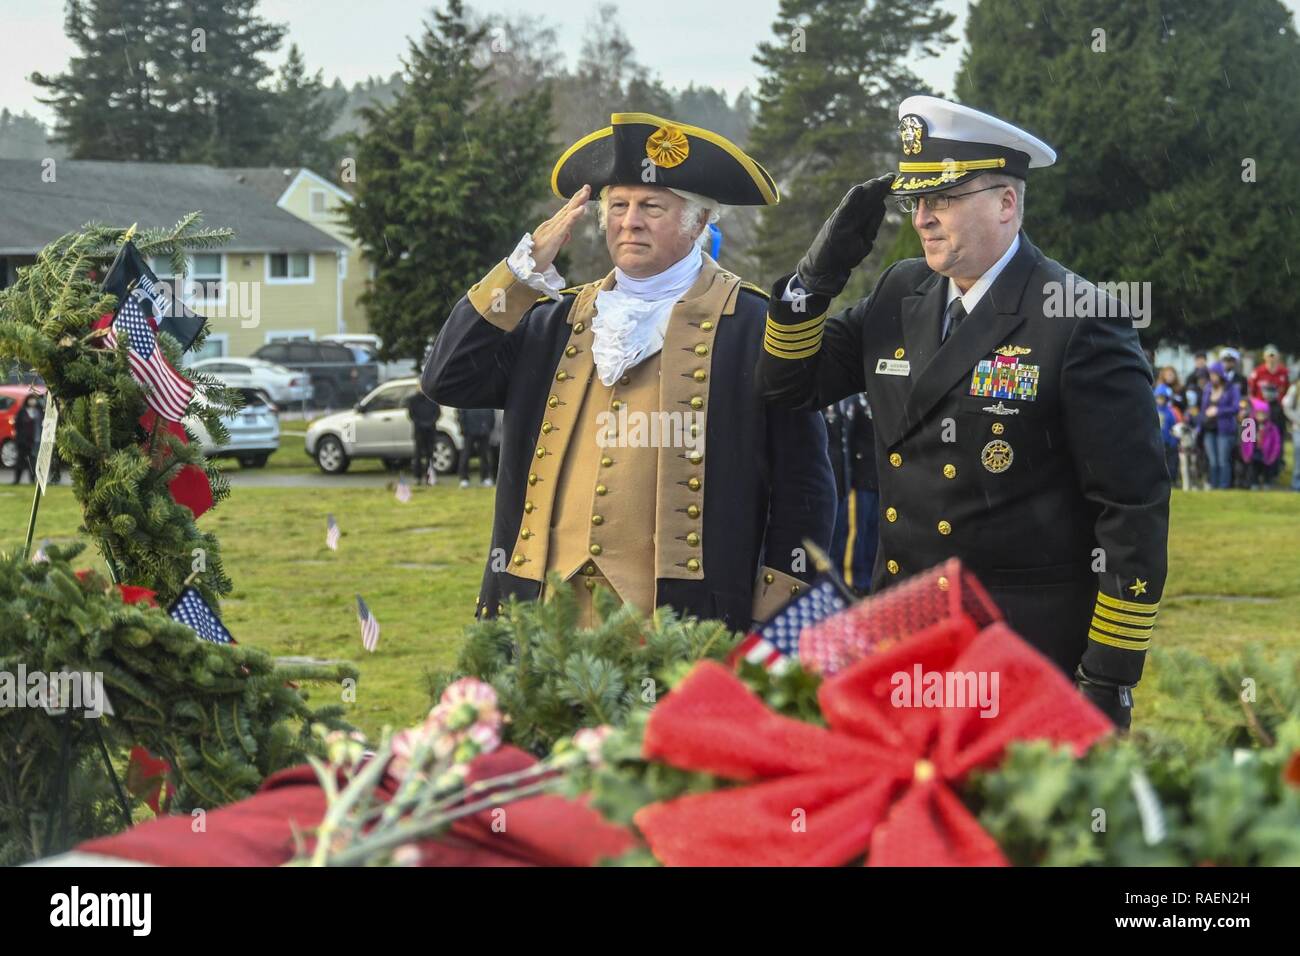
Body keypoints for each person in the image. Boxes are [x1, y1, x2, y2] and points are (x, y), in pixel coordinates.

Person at [755, 95, 1170, 729]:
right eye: (916, 201)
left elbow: (1132, 510)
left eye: (943, 198)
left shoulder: (1078, 316)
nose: (922, 218)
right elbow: (789, 386)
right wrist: (818, 275)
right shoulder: (901, 292)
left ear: (1006, 203)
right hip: (899, 638)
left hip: (1017, 651)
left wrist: (1107, 676)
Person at [423, 112, 834, 631]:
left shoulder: (755, 326)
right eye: (618, 205)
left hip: (686, 628)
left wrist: (771, 619)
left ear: (699, 220)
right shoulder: (553, 321)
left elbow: (805, 491)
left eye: (651, 207)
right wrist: (519, 275)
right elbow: (446, 377)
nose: (629, 221)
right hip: (548, 623)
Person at [824, 394, 879, 595]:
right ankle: (846, 583)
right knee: (851, 535)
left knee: (857, 534)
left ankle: (855, 581)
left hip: (848, 480)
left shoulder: (848, 401)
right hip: (852, 479)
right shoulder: (853, 401)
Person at [1200, 362, 1240, 490]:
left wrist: (1218, 411)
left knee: (1223, 460)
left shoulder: (1231, 389)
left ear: (1221, 374)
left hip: (1225, 429)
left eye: (1214, 374)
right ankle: (1213, 485)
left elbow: (1235, 408)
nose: (1212, 377)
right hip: (1209, 428)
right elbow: (1203, 408)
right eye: (1210, 374)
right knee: (1213, 461)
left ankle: (1224, 486)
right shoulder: (1208, 388)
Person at [1248, 344, 1289, 434]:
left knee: (1277, 435)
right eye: (1269, 355)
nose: (1271, 358)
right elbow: (1251, 392)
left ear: (1278, 356)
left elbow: (1287, 390)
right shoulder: (1258, 372)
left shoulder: (1284, 372)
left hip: (1278, 410)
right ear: (1264, 357)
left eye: (1273, 355)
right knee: (1259, 437)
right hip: (1260, 410)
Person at [406, 389, 441, 485]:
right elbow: (411, 414)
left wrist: (430, 423)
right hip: (419, 431)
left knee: (430, 455)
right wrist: (420, 424)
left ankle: (430, 477)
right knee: (418, 455)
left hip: (431, 431)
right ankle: (417, 477)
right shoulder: (413, 400)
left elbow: (437, 413)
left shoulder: (432, 399)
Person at [456, 407, 496, 488]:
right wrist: (464, 428)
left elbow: (491, 414)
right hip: (469, 431)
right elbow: (461, 413)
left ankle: (485, 477)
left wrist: (488, 427)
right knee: (465, 455)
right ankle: (464, 479)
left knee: (484, 455)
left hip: (483, 430)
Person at [11, 392, 42, 485]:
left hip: (35, 440)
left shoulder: (39, 412)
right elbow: (17, 426)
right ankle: (17, 480)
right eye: (31, 399)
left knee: (33, 462)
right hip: (23, 441)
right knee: (20, 461)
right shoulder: (22, 412)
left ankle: (32, 480)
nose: (32, 401)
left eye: (34, 399)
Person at [1154, 384, 1180, 481]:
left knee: (1171, 463)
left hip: (1168, 443)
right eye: (1158, 398)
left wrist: (1173, 440)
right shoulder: (1153, 410)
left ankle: (1171, 480)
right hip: (1156, 442)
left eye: (1162, 398)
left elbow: (1173, 427)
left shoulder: (1170, 412)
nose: (1160, 400)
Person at [1283, 379, 1300, 492]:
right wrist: (1297, 420)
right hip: (1298, 428)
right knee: (1298, 455)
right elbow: (1286, 406)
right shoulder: (1295, 388)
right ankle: (1296, 483)